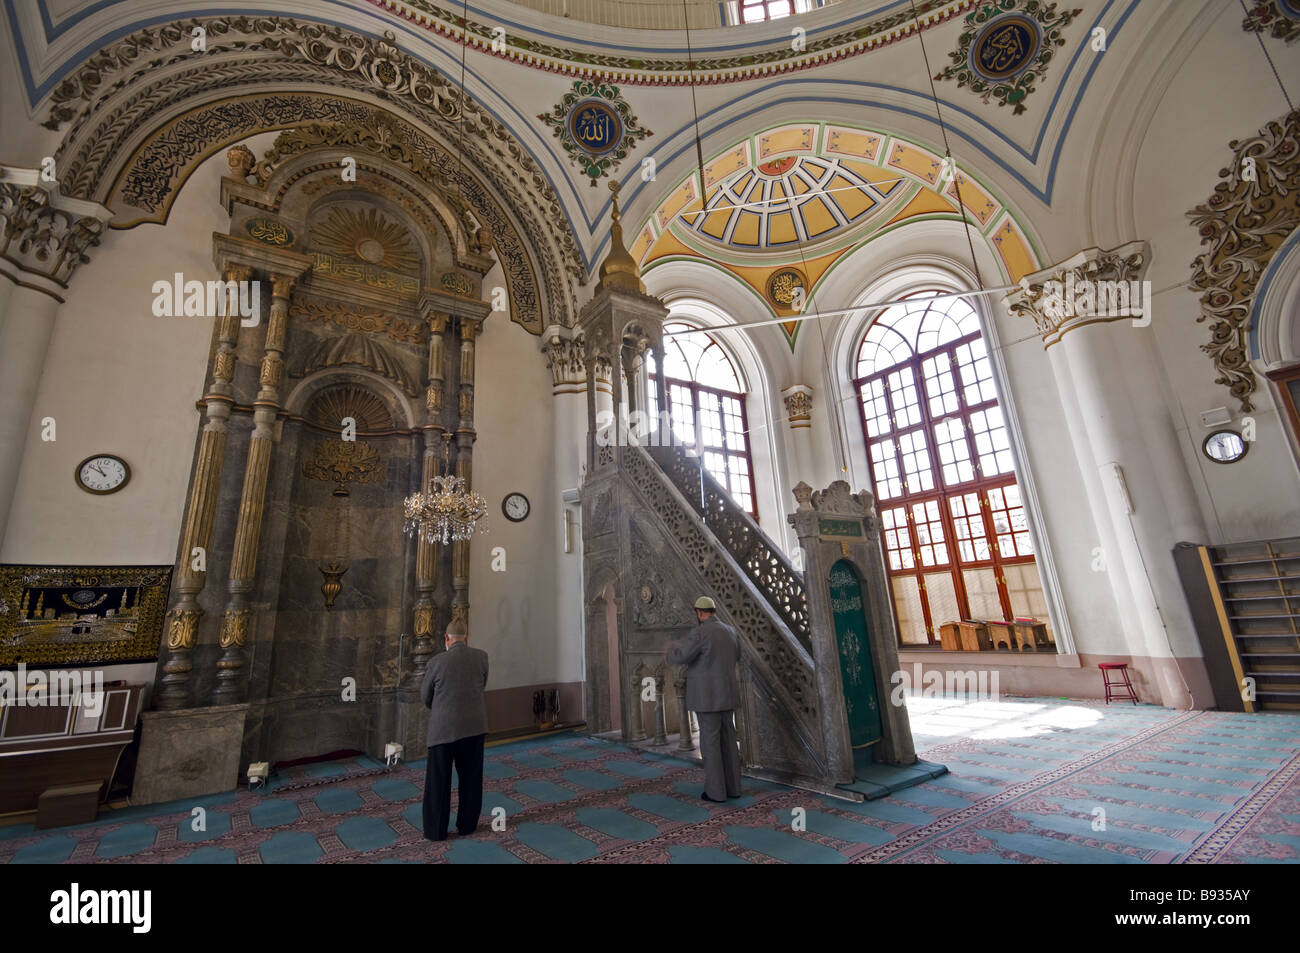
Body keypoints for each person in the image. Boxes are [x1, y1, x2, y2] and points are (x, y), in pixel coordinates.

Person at [666, 596, 743, 802]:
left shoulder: (700, 633)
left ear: (699, 613)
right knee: (729, 742)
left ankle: (716, 792)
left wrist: (669, 652)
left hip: (708, 698)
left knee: (710, 744)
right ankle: (734, 788)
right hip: (727, 695)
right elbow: (737, 656)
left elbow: (682, 657)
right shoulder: (731, 631)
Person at [420, 619, 490, 841]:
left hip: (443, 730)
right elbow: (483, 684)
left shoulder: (436, 662)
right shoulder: (481, 657)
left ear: (446, 639)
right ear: (466, 638)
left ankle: (436, 831)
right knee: (471, 779)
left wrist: (441, 708)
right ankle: (467, 825)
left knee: (438, 782)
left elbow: (425, 696)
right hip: (474, 728)